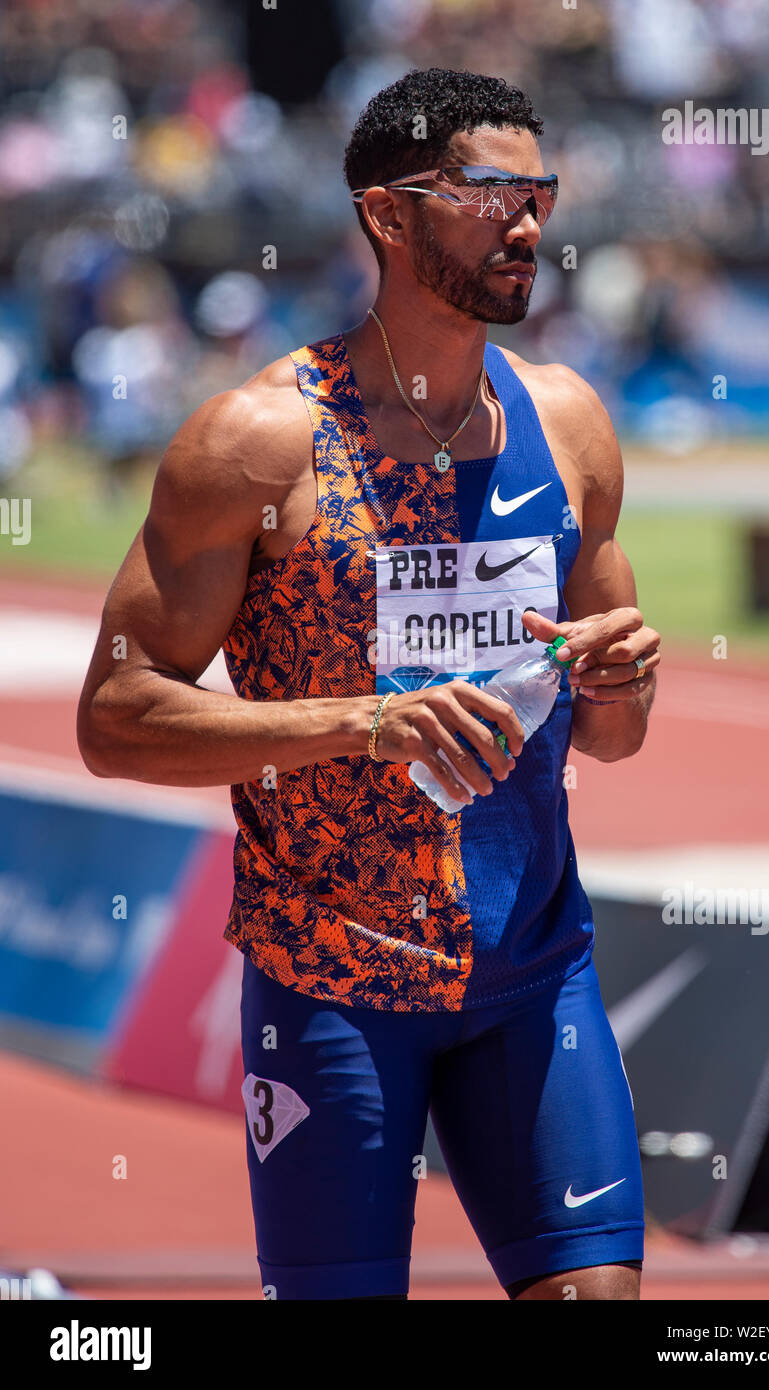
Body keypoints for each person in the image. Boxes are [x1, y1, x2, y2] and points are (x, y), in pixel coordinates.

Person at [78, 67, 660, 1302]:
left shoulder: (565, 427)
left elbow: (610, 737)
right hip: (333, 984)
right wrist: (363, 723)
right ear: (388, 216)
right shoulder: (255, 443)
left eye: (539, 192)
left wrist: (619, 675)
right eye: (492, 193)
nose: (530, 225)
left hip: (531, 974)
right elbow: (117, 718)